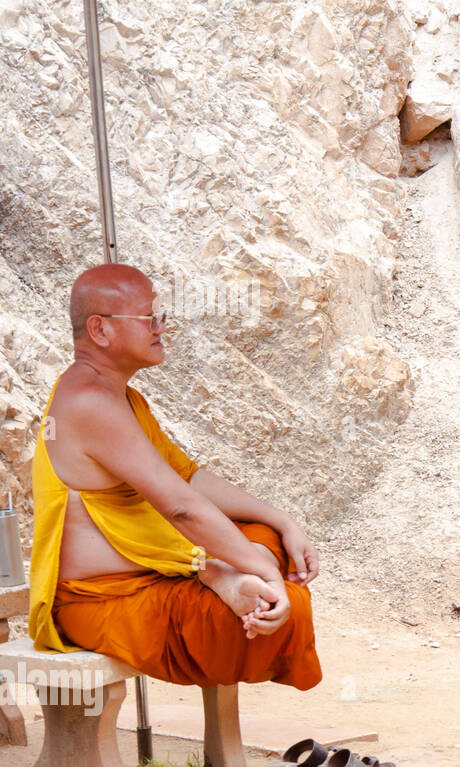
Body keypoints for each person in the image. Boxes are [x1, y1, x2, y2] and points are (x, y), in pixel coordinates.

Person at [27, 263, 321, 690]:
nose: (162, 328)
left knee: (267, 540)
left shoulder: (123, 397)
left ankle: (217, 571)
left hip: (149, 575)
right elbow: (180, 507)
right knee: (274, 598)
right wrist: (262, 569)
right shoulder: (88, 403)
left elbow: (189, 479)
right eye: (150, 318)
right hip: (101, 597)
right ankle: (215, 572)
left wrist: (283, 521)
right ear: (100, 330)